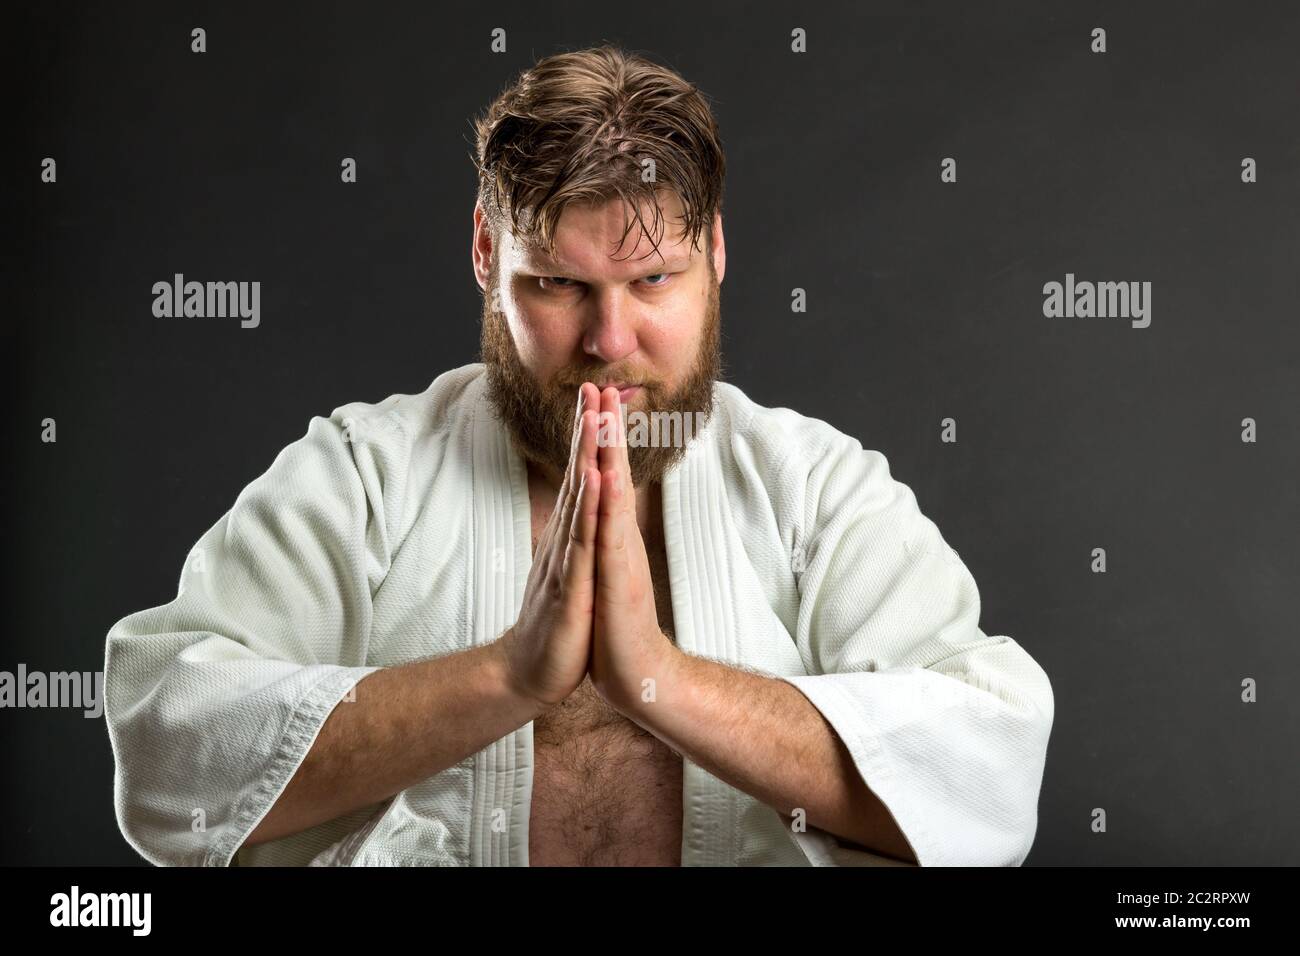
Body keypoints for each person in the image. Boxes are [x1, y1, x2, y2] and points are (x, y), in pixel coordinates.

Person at [103, 45, 1053, 867]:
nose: (609, 338)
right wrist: (510, 677)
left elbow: (991, 777)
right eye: (557, 283)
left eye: (653, 280)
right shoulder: (364, 477)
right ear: (487, 254)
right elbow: (166, 747)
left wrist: (660, 680)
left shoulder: (815, 490)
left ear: (714, 253)